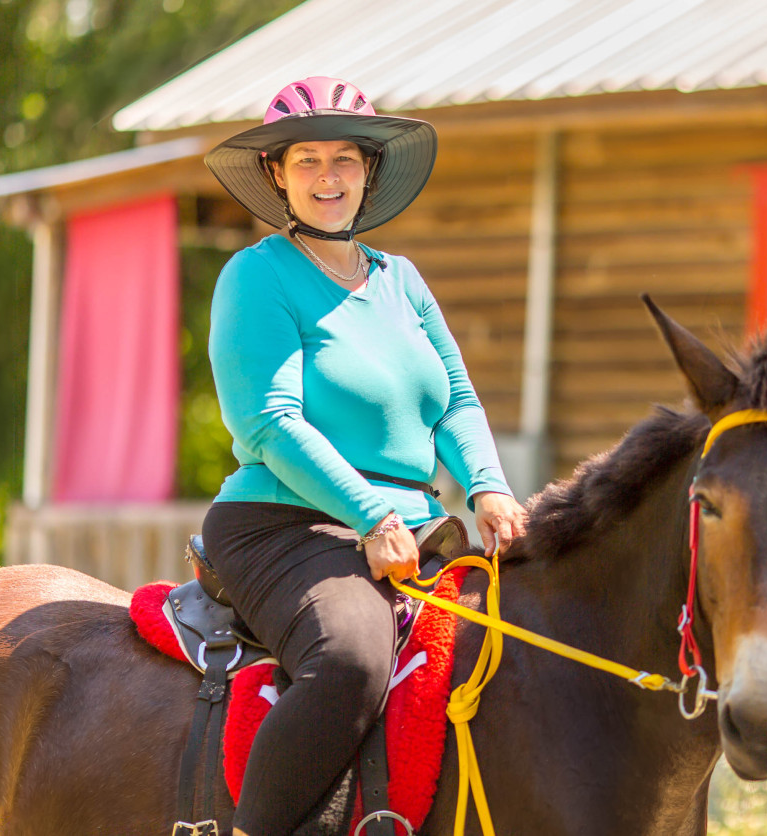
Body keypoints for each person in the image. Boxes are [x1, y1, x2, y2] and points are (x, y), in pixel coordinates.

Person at [200, 76, 528, 836]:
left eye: (344, 159)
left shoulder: (402, 280)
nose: (328, 177)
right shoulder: (256, 275)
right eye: (307, 160)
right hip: (286, 524)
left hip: (413, 529)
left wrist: (489, 487)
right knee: (351, 656)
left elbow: (455, 402)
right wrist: (371, 512)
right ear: (277, 175)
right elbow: (268, 424)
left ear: (368, 174)